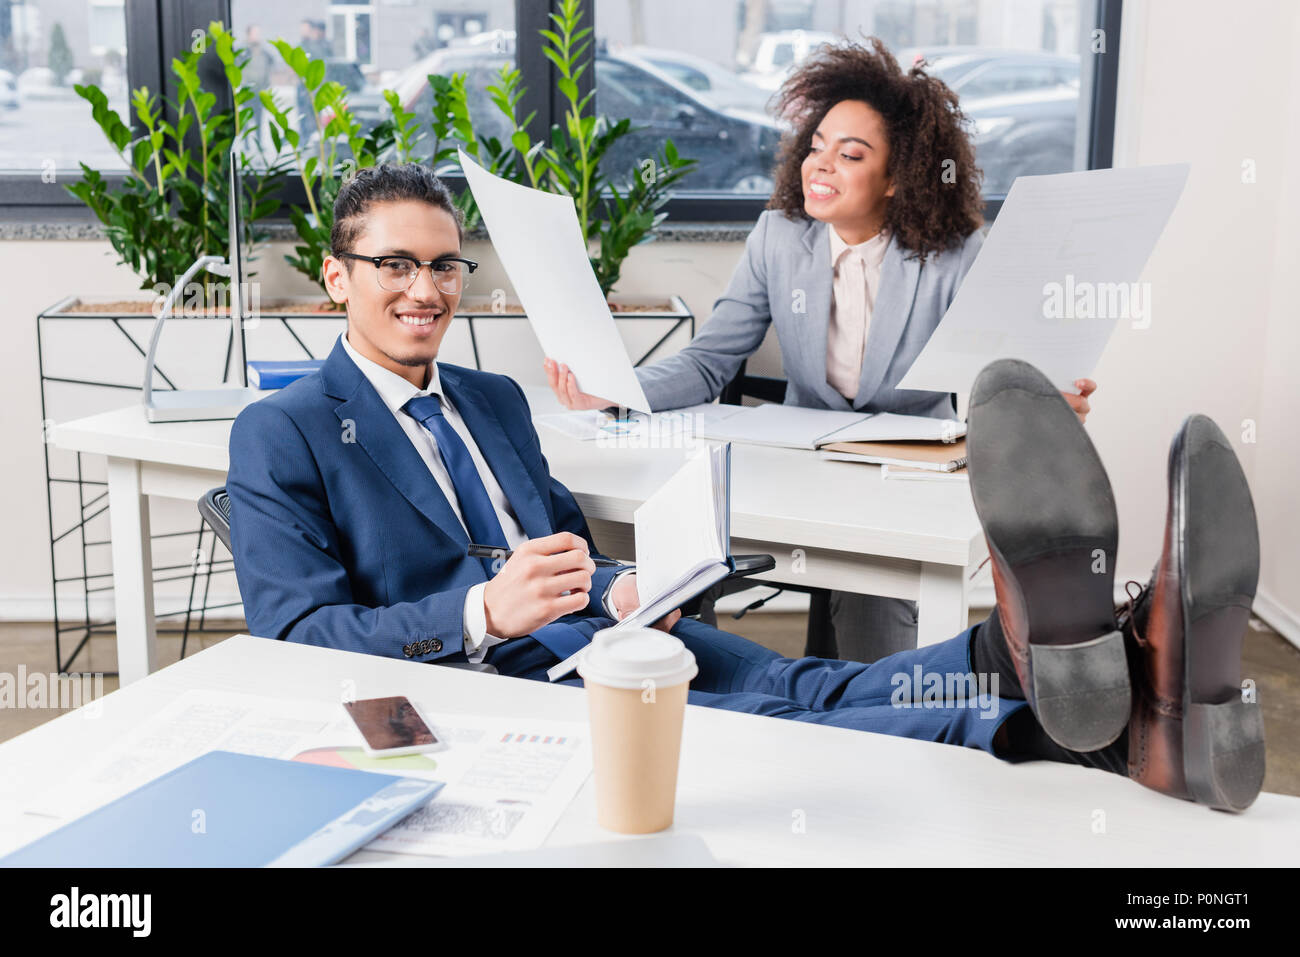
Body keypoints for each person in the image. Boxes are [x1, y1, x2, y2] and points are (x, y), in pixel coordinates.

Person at [226, 163, 1264, 813]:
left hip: (601, 632)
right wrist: (476, 610)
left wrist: (624, 583)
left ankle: (1066, 680)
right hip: (483, 688)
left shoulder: (493, 400)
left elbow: (561, 543)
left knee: (801, 688)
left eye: (446, 266)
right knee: (790, 724)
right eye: (395, 265)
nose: (425, 290)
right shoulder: (282, 432)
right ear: (336, 276)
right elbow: (294, 641)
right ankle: (1125, 687)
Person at [543, 37, 1099, 665]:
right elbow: (710, 361)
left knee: (873, 617)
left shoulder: (955, 254)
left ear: (897, 177)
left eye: (851, 154)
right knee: (676, 561)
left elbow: (998, 367)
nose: (821, 164)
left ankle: (875, 726)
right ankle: (695, 706)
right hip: (793, 471)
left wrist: (1039, 404)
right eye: (816, 147)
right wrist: (620, 391)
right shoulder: (779, 238)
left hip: (900, 479)